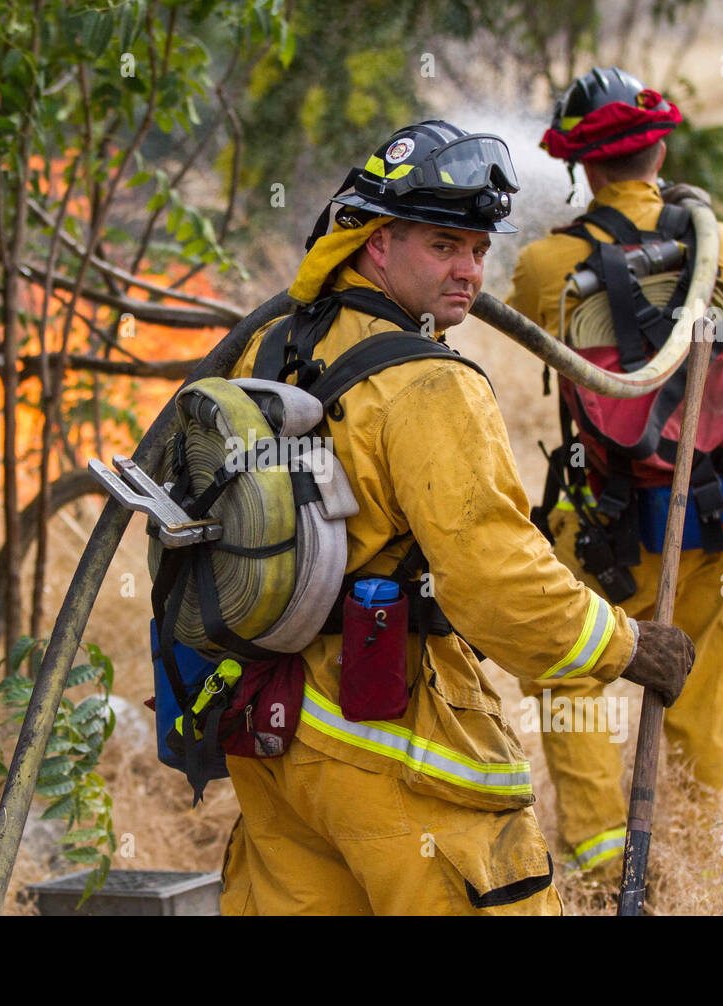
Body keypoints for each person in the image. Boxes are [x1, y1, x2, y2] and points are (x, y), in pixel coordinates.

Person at [217, 119, 694, 916]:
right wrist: (629, 647)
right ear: (376, 243)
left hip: (273, 729)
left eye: (477, 249)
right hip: (391, 736)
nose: (469, 271)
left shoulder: (269, 342)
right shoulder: (431, 383)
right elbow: (496, 584)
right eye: (443, 247)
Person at [505, 68, 723, 886]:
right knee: (709, 694)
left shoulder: (546, 264)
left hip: (612, 530)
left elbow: (542, 350)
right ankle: (714, 879)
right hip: (721, 513)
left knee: (572, 674)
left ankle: (606, 873)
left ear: (580, 166)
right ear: (660, 145)